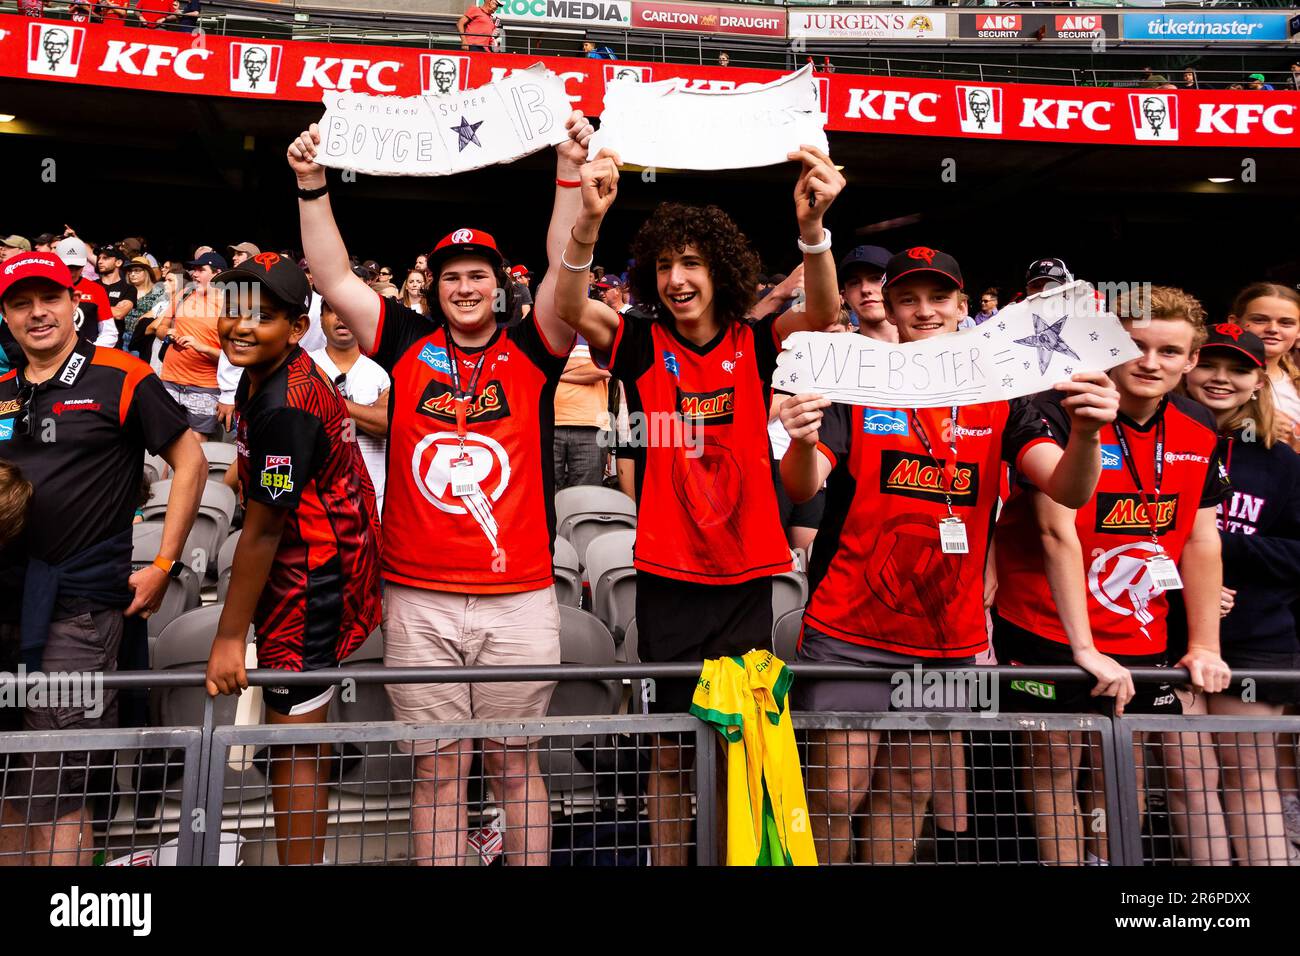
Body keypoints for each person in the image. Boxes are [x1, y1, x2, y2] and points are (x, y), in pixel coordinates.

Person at [287, 111, 596, 866]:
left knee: (515, 764)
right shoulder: (403, 339)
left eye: (479, 276)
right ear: (435, 284)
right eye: (452, 275)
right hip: (418, 593)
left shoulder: (536, 347)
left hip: (518, 594)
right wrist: (311, 184)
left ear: (500, 287)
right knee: (436, 769)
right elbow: (331, 277)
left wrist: (568, 171)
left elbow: (566, 274)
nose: (465, 287)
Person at [778, 246, 1120, 865]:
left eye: (939, 298)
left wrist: (1089, 433)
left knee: (909, 788)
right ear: (892, 307)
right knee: (836, 792)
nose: (924, 311)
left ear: (964, 306)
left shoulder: (1006, 395)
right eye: (909, 298)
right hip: (848, 628)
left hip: (950, 639)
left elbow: (1067, 487)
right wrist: (801, 440)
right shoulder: (858, 381)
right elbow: (803, 486)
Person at [554, 142, 846, 864]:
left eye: (691, 263)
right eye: (664, 265)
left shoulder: (755, 343)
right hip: (668, 579)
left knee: (735, 740)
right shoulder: (643, 344)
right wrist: (589, 222)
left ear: (720, 270)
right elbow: (567, 308)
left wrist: (813, 232)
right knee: (669, 752)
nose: (678, 278)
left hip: (747, 577)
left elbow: (826, 310)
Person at [993, 285, 1231, 865]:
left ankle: (1112, 866)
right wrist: (1086, 649)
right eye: (1136, 346)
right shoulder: (1055, 407)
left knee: (1121, 769)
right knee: (1053, 769)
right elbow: (1057, 533)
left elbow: (1201, 538)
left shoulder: (1199, 425)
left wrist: (1203, 645)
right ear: (1107, 347)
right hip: (1047, 629)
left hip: (1142, 631)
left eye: (1170, 352)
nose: (1151, 363)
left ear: (1192, 360)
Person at [0, 251, 205, 865]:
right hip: (6, 604)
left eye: (50, 299)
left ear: (75, 304)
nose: (37, 314)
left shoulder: (120, 375)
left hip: (78, 611)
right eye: (19, 302)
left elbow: (191, 459)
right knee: (11, 778)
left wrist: (165, 564)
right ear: (5, 314)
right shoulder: (4, 388)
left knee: (58, 783)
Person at [203, 252, 381, 866]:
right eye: (233, 311)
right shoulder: (268, 378)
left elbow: (263, 532)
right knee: (290, 739)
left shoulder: (287, 403)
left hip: (313, 584)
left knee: (295, 742)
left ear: (296, 326)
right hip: (306, 570)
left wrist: (229, 639)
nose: (242, 327)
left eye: (265, 317)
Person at [1166, 321, 1300, 866]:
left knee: (1251, 774)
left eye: (1239, 368)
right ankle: (1213, 902)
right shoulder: (1153, 441)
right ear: (1188, 367)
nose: (1221, 378)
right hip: (1170, 630)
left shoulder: (1282, 461)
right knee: (1187, 776)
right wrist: (1191, 574)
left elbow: (1296, 554)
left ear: (1259, 380)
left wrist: (1216, 552)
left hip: (1255, 636)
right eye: (1211, 365)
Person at [309, 300, 391, 513]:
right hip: (316, 492)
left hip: (372, 493)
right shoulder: (304, 365)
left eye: (347, 310)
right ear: (321, 320)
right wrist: (366, 413)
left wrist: (324, 399)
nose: (340, 317)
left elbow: (384, 423)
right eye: (332, 311)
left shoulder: (379, 373)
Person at [155, 251, 227, 439]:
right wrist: (168, 334)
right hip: (170, 380)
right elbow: (160, 328)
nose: (194, 274)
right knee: (166, 441)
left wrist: (201, 347)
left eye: (200, 270)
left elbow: (233, 358)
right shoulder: (183, 294)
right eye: (193, 269)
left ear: (217, 273)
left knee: (197, 446)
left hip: (204, 387)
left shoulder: (231, 305)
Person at [1229, 282, 1300, 451]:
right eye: (1259, 320)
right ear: (1234, 323)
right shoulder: (1212, 377)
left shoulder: (1296, 385)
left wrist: (1294, 441)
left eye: (1286, 323)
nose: (1272, 329)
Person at [553, 332, 610, 491]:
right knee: (543, 500)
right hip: (547, 424)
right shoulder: (547, 328)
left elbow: (604, 370)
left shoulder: (598, 330)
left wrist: (554, 371)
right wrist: (585, 366)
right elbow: (536, 365)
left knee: (587, 500)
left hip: (592, 426)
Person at [54, 237, 116, 347]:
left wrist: (90, 352)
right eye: (68, 267)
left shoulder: (96, 289)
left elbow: (109, 333)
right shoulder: (46, 288)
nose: (72, 272)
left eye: (77, 267)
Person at [838, 245, 895, 342]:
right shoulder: (839, 352)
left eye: (877, 278)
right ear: (844, 296)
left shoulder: (926, 343)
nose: (865, 289)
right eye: (854, 283)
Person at [121, 256, 167, 358]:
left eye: (137, 271)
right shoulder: (124, 290)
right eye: (130, 271)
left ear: (146, 272)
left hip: (142, 339)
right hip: (121, 336)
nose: (132, 274)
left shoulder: (158, 292)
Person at [95, 244, 136, 338]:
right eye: (99, 258)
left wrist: (90, 307)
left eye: (105, 258)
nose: (100, 261)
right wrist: (112, 309)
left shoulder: (129, 289)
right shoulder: (91, 285)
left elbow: (119, 313)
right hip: (89, 340)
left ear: (118, 263)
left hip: (114, 343)